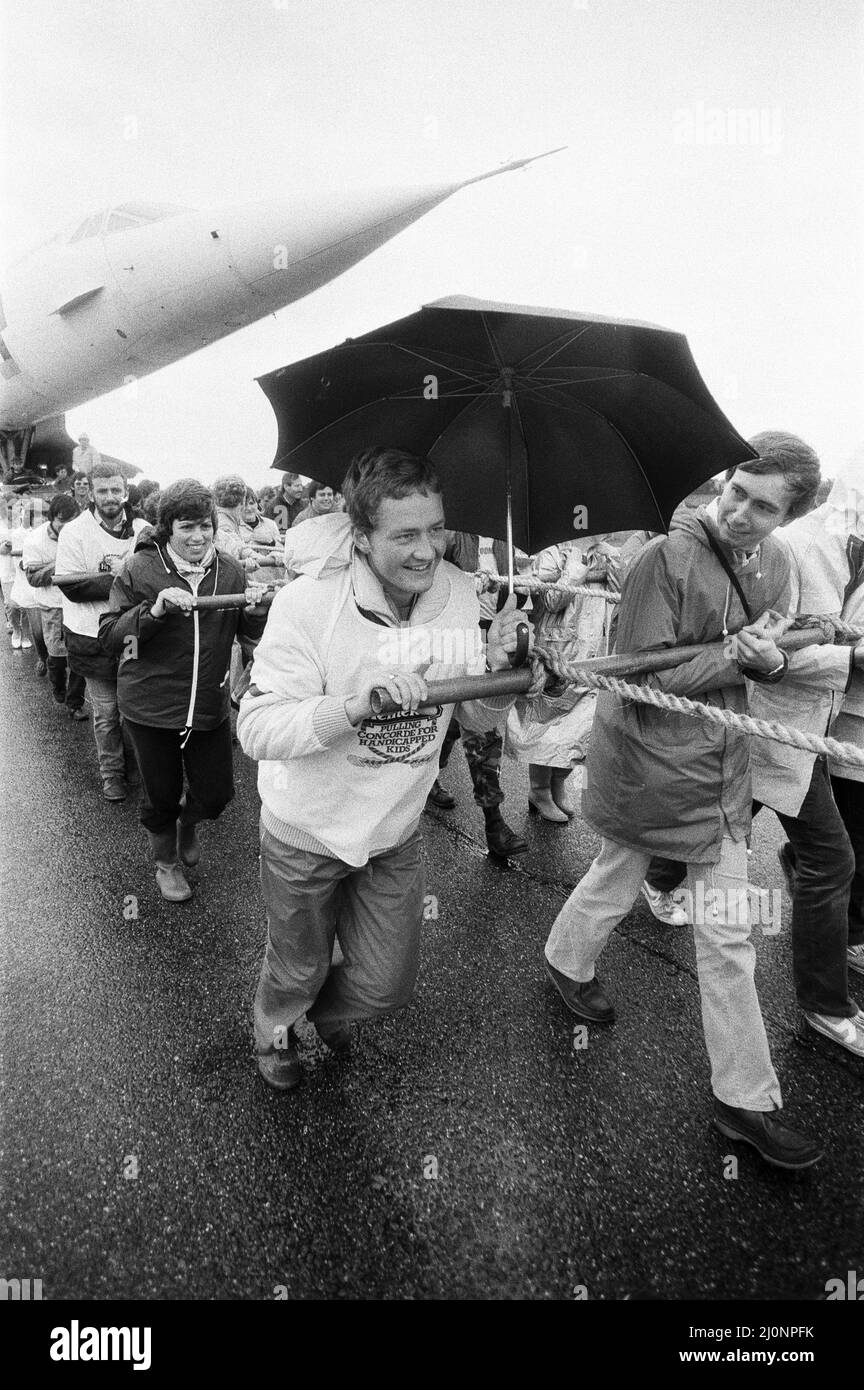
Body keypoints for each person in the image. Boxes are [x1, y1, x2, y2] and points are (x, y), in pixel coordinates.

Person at [543, 434, 825, 1170]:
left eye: (764, 507)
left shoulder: (782, 562)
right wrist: (735, 656)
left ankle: (745, 1100)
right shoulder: (660, 558)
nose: (739, 512)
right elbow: (643, 681)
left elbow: (769, 649)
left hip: (721, 766)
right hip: (651, 759)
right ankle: (565, 960)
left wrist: (770, 656)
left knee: (724, 933)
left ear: (789, 516)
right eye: (736, 491)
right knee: (618, 871)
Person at [237, 447, 529, 1090]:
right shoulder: (307, 604)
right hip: (304, 829)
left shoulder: (458, 594)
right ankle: (275, 1025)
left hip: (394, 831)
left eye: (436, 529)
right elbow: (255, 729)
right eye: (406, 535)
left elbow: (475, 723)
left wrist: (502, 677)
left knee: (385, 988)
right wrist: (349, 705)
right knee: (296, 966)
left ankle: (314, 1012)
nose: (428, 550)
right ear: (363, 537)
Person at [99, 480, 268, 902]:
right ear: (167, 528)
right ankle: (166, 865)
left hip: (209, 704)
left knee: (217, 795)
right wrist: (153, 611)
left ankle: (188, 822)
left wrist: (255, 614)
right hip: (150, 707)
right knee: (160, 798)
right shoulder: (140, 569)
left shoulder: (229, 569)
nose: (198, 537)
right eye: (186, 527)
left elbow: (245, 634)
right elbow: (113, 639)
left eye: (205, 526)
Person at [745, 457, 864, 1053]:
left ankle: (656, 878)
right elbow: (765, 650)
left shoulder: (852, 548)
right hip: (774, 723)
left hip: (818, 726)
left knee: (722, 821)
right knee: (831, 858)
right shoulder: (792, 547)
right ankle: (824, 1004)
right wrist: (852, 659)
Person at [429, 531, 530, 858]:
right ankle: (429, 775)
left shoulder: (505, 539)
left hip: (493, 638)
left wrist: (519, 591)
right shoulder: (455, 536)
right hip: (459, 637)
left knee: (482, 733)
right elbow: (438, 576)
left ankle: (494, 822)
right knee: (447, 723)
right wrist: (472, 586)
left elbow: (524, 596)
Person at [506, 535, 620, 823]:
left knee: (579, 726)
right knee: (545, 724)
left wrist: (613, 566)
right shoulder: (551, 552)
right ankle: (539, 790)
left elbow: (620, 594)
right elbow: (552, 599)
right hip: (558, 649)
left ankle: (558, 784)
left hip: (591, 653)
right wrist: (577, 567)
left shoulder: (604, 553)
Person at [55, 464, 147, 797]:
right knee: (106, 712)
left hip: (131, 635)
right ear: (91, 492)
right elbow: (73, 587)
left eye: (115, 490)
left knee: (133, 706)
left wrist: (120, 580)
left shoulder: (143, 529)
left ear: (125, 490)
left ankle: (136, 766)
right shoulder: (74, 532)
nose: (110, 497)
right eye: (103, 490)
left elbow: (153, 577)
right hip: (91, 636)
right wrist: (127, 579)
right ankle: (112, 773)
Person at [22, 493, 86, 712]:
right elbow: (33, 579)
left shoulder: (83, 535)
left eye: (72, 521)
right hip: (52, 606)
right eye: (62, 521)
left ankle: (75, 703)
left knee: (80, 656)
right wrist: (60, 564)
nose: (68, 527)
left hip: (79, 603)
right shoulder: (34, 540)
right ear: (51, 518)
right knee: (58, 658)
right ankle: (58, 685)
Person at [0, 494, 29, 648]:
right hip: (6, 568)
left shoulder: (25, 525)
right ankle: (16, 631)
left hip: (22, 569)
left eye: (14, 507)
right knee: (11, 604)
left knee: (24, 604)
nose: (11, 511)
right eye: (8, 507)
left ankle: (25, 634)